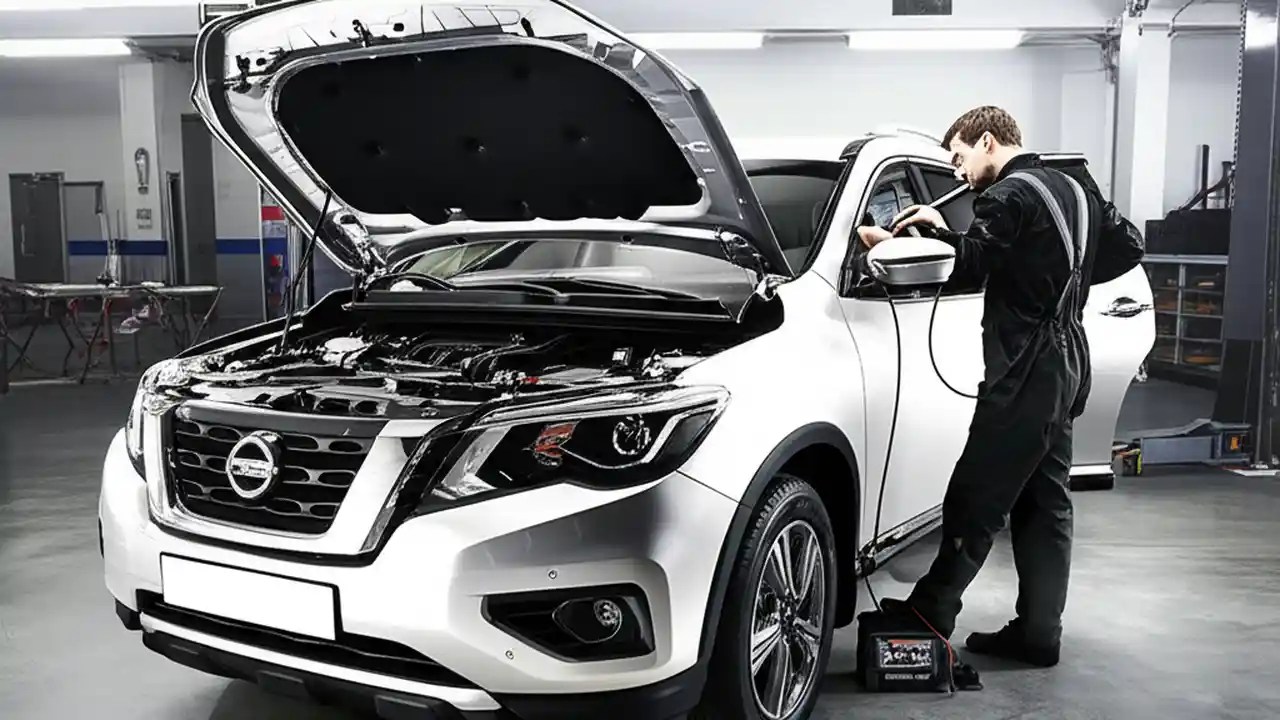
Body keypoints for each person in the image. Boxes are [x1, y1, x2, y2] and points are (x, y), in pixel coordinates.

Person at [858, 106, 1144, 667]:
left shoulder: (1008, 196)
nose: (959, 173)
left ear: (988, 141)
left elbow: (971, 266)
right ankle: (1039, 633)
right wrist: (1063, 278)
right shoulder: (1075, 188)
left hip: (1025, 368)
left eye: (960, 158)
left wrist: (919, 235)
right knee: (1045, 502)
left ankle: (930, 613)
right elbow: (1128, 245)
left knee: (977, 494)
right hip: (1067, 362)